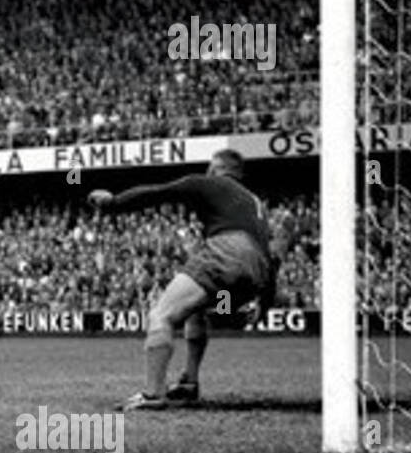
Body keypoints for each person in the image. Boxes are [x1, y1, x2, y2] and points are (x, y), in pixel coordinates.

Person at [87, 149, 275, 410]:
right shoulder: (255, 203)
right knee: (195, 311)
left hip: (227, 251)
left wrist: (114, 203)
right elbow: (272, 255)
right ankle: (189, 381)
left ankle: (153, 394)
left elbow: (159, 192)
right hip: (257, 269)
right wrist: (264, 302)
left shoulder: (210, 183)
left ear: (215, 168)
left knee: (161, 316)